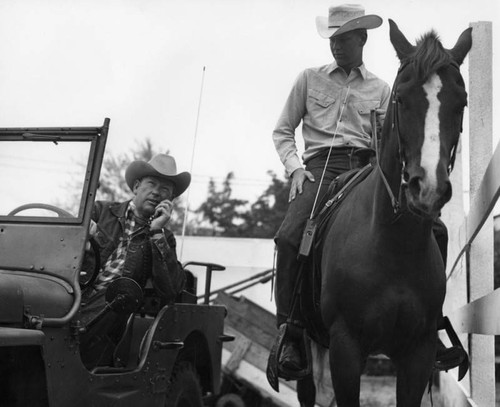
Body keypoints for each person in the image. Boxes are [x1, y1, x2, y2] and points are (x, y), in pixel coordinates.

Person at [271, 4, 464, 377]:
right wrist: (295, 168)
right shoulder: (308, 79)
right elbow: (282, 131)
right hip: (318, 172)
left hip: (367, 170)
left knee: (433, 229)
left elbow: (392, 139)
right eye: (332, 38)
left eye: (344, 38)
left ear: (362, 38)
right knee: (290, 235)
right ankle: (291, 331)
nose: (337, 46)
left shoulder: (381, 88)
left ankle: (431, 322)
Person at [79, 153, 189, 368]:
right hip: (74, 294)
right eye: (151, 184)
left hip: (110, 312)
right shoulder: (100, 211)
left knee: (115, 301)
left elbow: (170, 290)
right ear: (136, 186)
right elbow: (65, 251)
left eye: (165, 189)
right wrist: (81, 235)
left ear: (170, 200)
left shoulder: (164, 238)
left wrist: (156, 233)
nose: (157, 192)